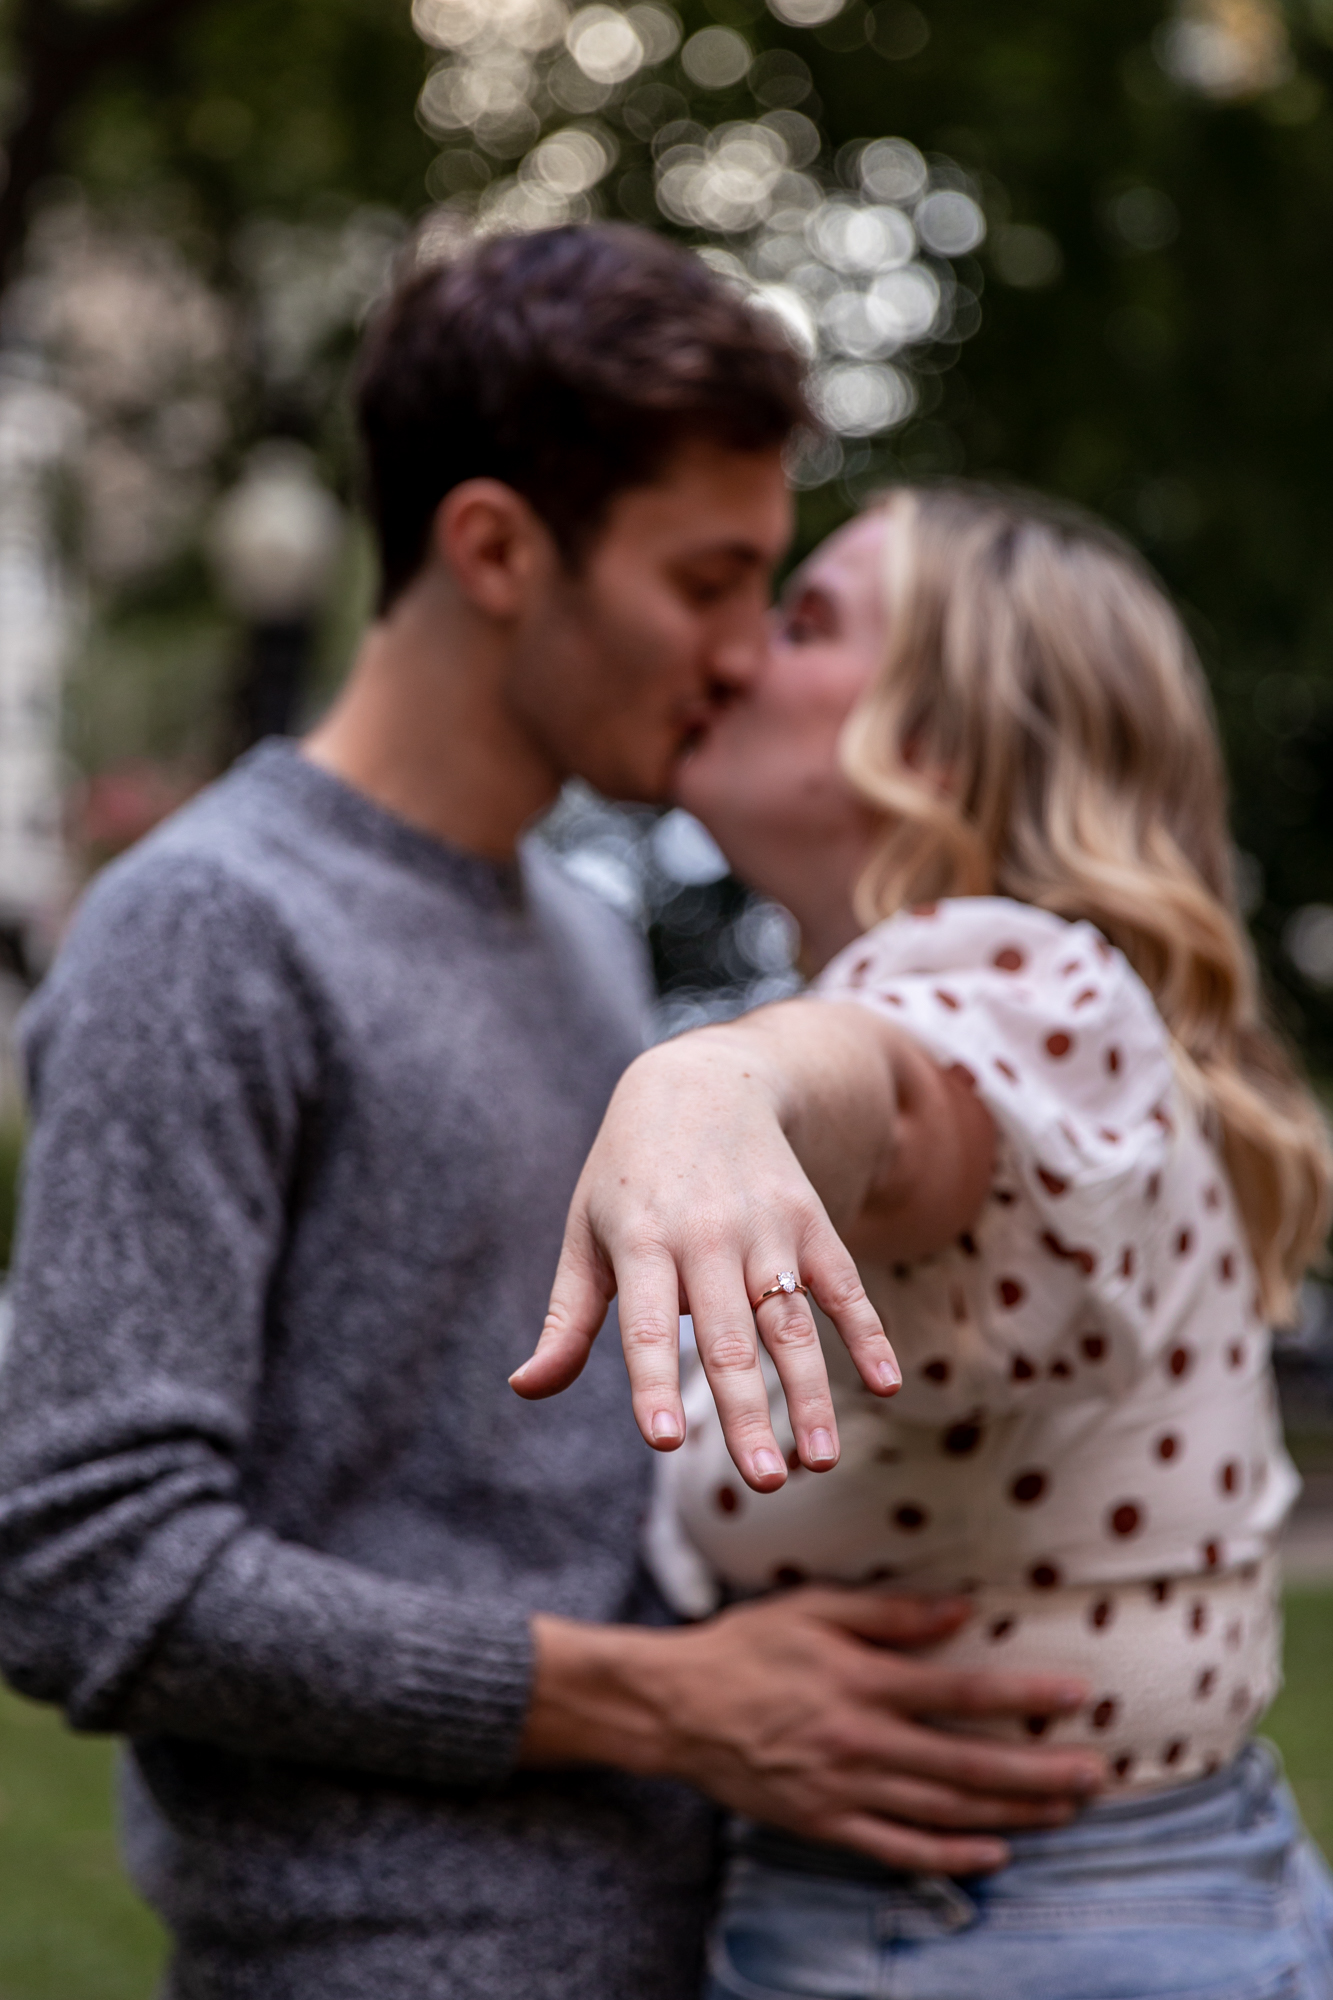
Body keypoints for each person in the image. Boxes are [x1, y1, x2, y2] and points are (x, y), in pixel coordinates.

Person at [0, 238, 1103, 2000]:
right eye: (708, 581)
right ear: (498, 549)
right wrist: (661, 1706)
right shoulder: (208, 926)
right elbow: (84, 1567)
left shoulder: (580, 934)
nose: (745, 655)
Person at [516, 484, 1333, 1999]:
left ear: (945, 743)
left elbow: (888, 1093)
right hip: (1085, 1910)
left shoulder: (1029, 987)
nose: (738, 649)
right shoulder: (1072, 1027)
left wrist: (715, 1083)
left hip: (1005, 1935)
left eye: (807, 620)